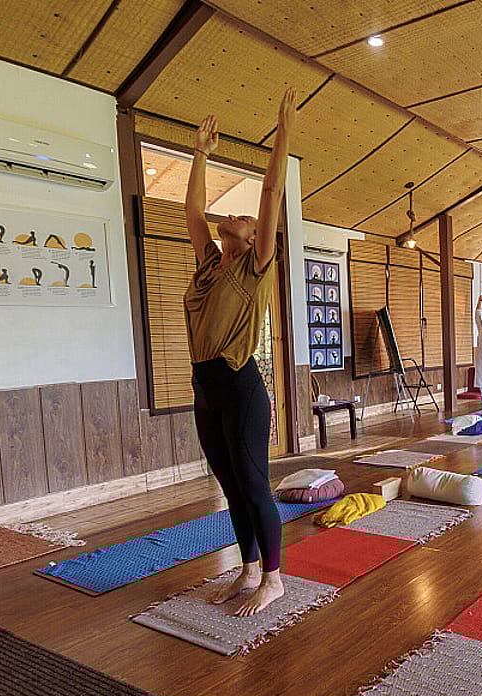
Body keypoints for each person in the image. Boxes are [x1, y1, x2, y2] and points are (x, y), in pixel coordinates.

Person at [184, 88, 296, 616]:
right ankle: (249, 571)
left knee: (253, 482)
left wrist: (283, 128)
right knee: (230, 485)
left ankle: (274, 578)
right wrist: (199, 153)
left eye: (245, 221)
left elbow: (271, 191)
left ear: (255, 239)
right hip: (205, 388)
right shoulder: (210, 264)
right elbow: (191, 213)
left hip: (241, 385)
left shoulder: (256, 268)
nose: (235, 215)